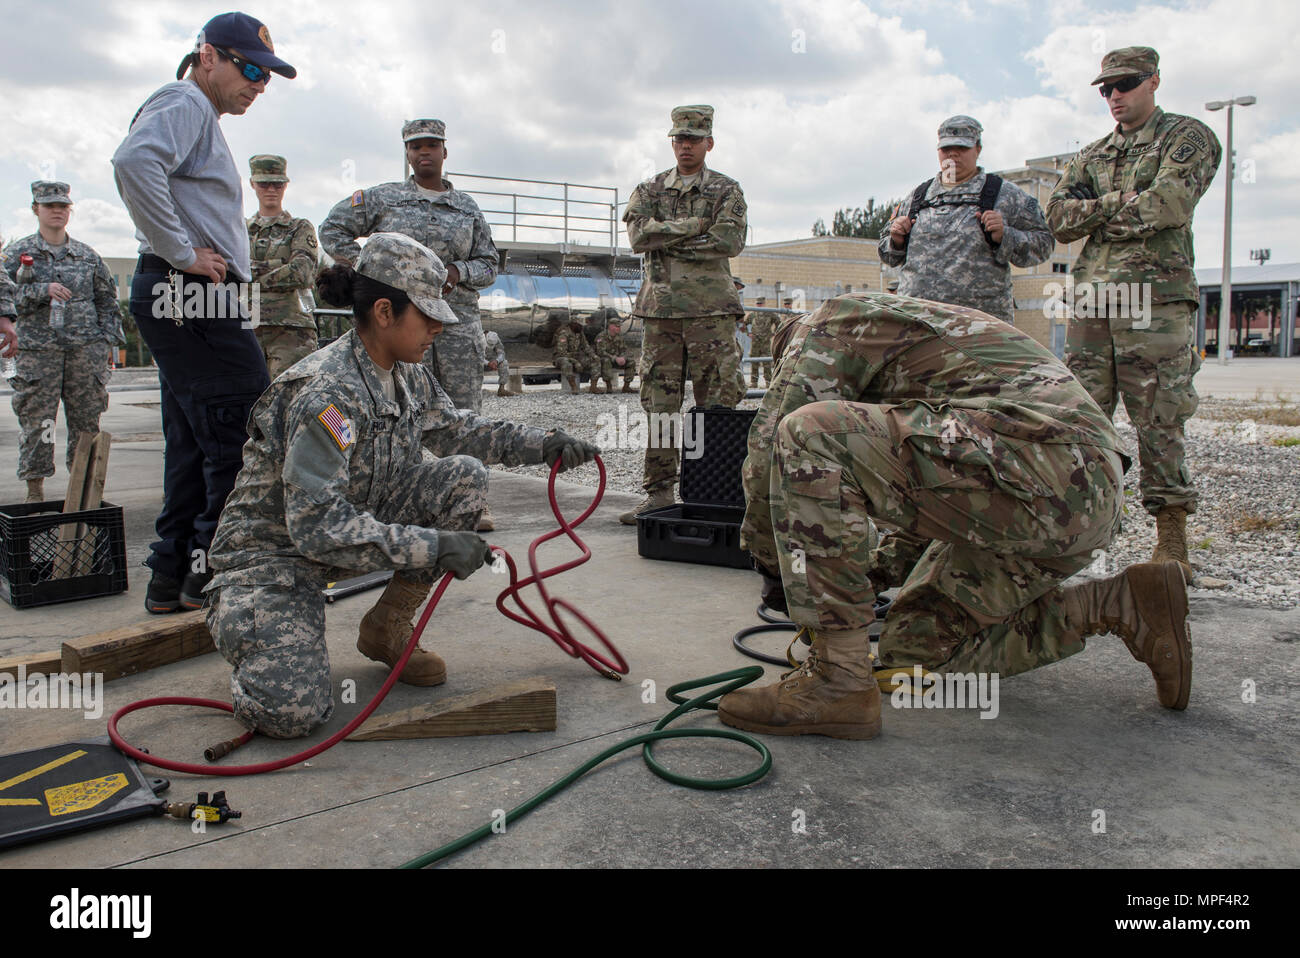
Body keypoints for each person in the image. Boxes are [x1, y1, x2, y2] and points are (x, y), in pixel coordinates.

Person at [720, 291, 1192, 741]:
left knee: (805, 434)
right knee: (916, 649)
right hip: (1063, 494)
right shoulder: (915, 353)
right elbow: (937, 499)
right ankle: (1118, 603)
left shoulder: (829, 323)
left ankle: (838, 682)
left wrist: (778, 571)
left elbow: (766, 458)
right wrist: (859, 575)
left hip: (1050, 467)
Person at [204, 233, 599, 739]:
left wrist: (544, 444)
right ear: (385, 312)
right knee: (290, 714)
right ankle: (251, 623)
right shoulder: (328, 394)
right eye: (428, 315)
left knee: (462, 477)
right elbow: (318, 526)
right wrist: (432, 546)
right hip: (276, 556)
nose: (438, 327)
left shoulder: (403, 372)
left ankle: (387, 625)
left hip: (349, 525)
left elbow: (458, 429)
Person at [112, 11, 295, 613]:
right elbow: (134, 163)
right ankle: (215, 574)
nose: (258, 84)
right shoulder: (186, 102)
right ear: (208, 55)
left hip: (184, 296)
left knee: (193, 442)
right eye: (249, 68)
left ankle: (175, 576)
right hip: (190, 296)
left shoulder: (196, 113)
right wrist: (183, 251)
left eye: (265, 76)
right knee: (242, 434)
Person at [1046, 47, 1222, 574]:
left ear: (1154, 81)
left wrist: (1095, 213)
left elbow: (1170, 203)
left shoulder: (1187, 138)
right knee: (1081, 422)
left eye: (1125, 84)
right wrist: (1121, 205)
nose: (1114, 95)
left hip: (1155, 301)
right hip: (1094, 302)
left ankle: (1172, 543)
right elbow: (1056, 217)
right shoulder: (1092, 154)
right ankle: (1076, 536)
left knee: (1160, 420)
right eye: (1105, 88)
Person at [619, 104, 748, 524]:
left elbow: (728, 241)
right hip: (661, 313)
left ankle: (721, 493)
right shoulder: (650, 188)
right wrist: (695, 227)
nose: (686, 145)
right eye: (679, 138)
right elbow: (640, 235)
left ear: (709, 142)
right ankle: (659, 495)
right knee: (659, 406)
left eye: (694, 138)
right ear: (671, 141)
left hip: (711, 313)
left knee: (719, 405)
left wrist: (667, 237)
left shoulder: (727, 191)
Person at [319, 119, 497, 414]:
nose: (423, 152)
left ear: (444, 152)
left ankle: (463, 462)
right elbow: (332, 229)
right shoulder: (383, 198)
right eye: (415, 147)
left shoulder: (467, 208)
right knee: (399, 411)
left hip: (457, 328)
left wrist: (458, 271)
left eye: (432, 145)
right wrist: (374, 271)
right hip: (399, 324)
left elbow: (490, 266)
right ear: (407, 154)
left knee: (463, 415)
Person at [2, 182, 124, 503]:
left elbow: (108, 302)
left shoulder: (87, 256)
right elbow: (5, 296)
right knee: (38, 422)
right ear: (35, 209)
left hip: (85, 353)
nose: (57, 211)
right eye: (50, 206)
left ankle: (82, 493)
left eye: (63, 206)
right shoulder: (17, 255)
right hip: (37, 354)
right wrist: (42, 290)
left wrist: (106, 346)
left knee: (86, 423)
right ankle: (35, 494)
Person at [879, 116, 1054, 325]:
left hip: (980, 330)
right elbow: (886, 253)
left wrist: (1006, 236)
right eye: (946, 148)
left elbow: (1044, 243)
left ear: (978, 149)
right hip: (920, 325)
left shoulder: (1005, 195)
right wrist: (896, 240)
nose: (953, 154)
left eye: (961, 148)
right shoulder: (917, 197)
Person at [246, 154, 320, 379]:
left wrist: (249, 273)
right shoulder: (240, 230)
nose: (271, 189)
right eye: (264, 184)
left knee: (291, 400)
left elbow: (301, 273)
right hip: (247, 327)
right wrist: (279, 266)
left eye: (277, 184)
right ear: (252, 184)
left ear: (285, 185)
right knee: (249, 401)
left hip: (292, 331)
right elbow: (227, 273)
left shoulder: (299, 227)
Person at [553, 319, 598, 394]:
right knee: (566, 363)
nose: (582, 327)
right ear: (573, 324)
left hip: (575, 357)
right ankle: (573, 386)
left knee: (595, 361)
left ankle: (593, 387)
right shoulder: (564, 333)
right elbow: (562, 352)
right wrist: (575, 361)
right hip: (561, 358)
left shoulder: (579, 332)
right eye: (580, 325)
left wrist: (593, 355)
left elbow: (585, 346)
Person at [593, 315, 634, 393]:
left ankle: (626, 387)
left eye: (619, 327)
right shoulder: (601, 336)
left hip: (617, 360)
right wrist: (615, 358)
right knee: (606, 360)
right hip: (605, 360)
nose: (619, 328)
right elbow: (600, 352)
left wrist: (623, 358)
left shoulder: (619, 337)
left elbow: (625, 350)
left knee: (631, 362)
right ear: (611, 327)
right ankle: (609, 386)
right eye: (617, 326)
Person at [746, 296, 773, 388]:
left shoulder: (770, 314)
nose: (759, 305)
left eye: (761, 303)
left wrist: (774, 333)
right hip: (755, 344)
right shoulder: (752, 314)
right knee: (754, 363)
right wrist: (748, 333)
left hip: (765, 343)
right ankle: (754, 382)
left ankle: (768, 382)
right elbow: (744, 324)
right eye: (758, 303)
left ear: (764, 304)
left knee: (767, 364)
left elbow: (779, 323)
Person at [483, 329, 516, 397]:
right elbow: (476, 357)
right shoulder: (478, 338)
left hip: (492, 361)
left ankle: (501, 389)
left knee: (504, 363)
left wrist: (496, 361)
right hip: (479, 363)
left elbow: (501, 353)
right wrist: (488, 363)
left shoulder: (495, 338)